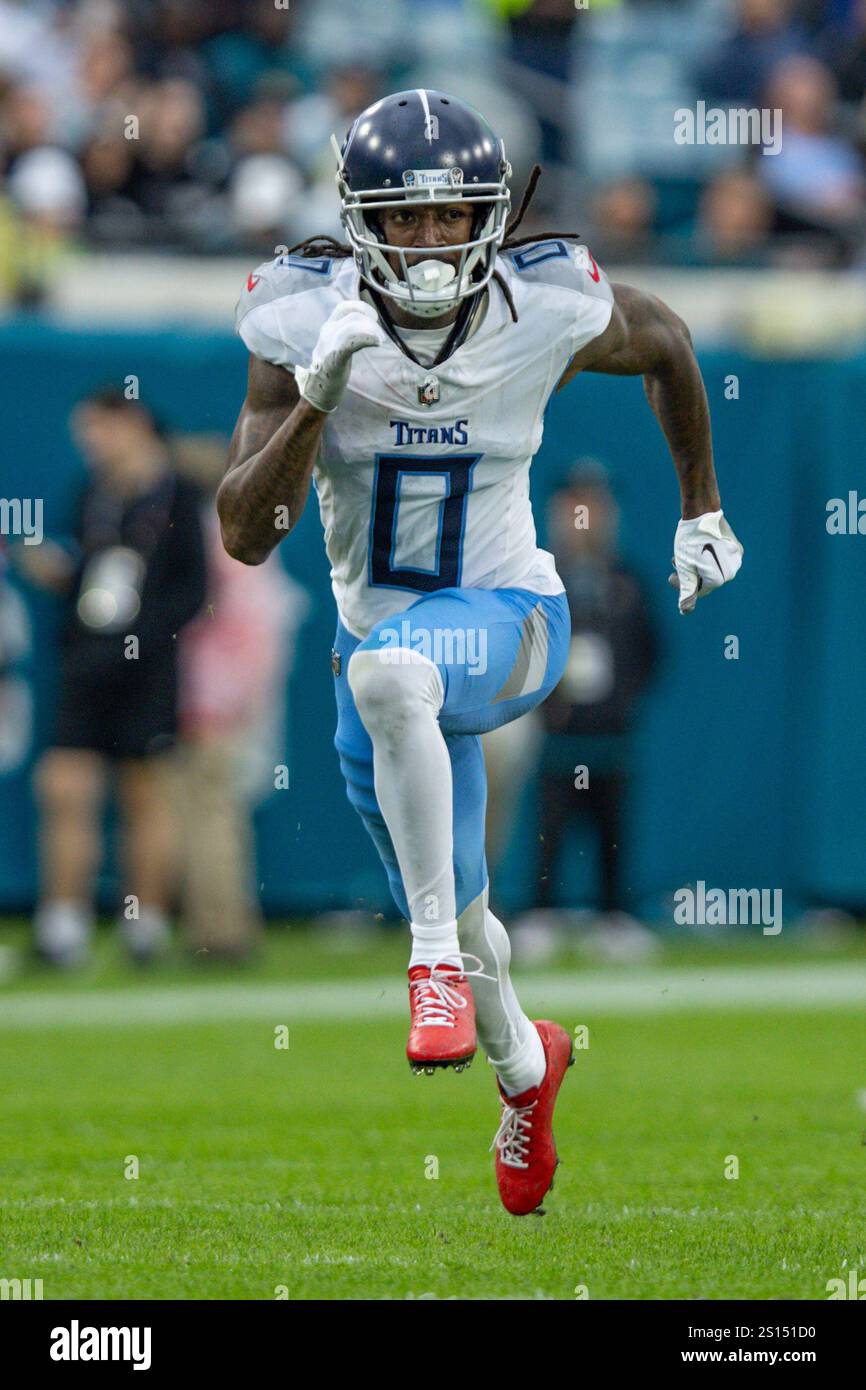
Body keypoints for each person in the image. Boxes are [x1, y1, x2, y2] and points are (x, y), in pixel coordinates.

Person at [219, 90, 744, 1217]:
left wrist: (698, 508)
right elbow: (242, 536)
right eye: (400, 220)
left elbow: (665, 339)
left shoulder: (541, 302)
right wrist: (315, 400)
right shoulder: (296, 314)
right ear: (357, 221)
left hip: (512, 619)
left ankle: (426, 973)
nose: (426, 240)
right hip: (381, 659)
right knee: (457, 896)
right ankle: (523, 1067)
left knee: (391, 678)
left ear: (491, 217)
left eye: (451, 215)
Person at [20, 389, 207, 967]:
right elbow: (90, 578)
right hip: (85, 664)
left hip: (147, 669)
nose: (90, 443)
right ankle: (63, 926)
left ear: (133, 425)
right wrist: (57, 575)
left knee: (144, 797)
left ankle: (144, 928)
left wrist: (141, 642)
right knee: (64, 787)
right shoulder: (91, 494)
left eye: (99, 429)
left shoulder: (179, 495)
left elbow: (193, 592)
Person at [514, 464, 659, 964]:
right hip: (559, 740)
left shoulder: (628, 583)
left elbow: (651, 652)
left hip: (611, 739)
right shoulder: (539, 581)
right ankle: (540, 915)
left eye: (595, 507)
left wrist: (625, 703)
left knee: (613, 829)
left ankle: (614, 916)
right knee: (549, 828)